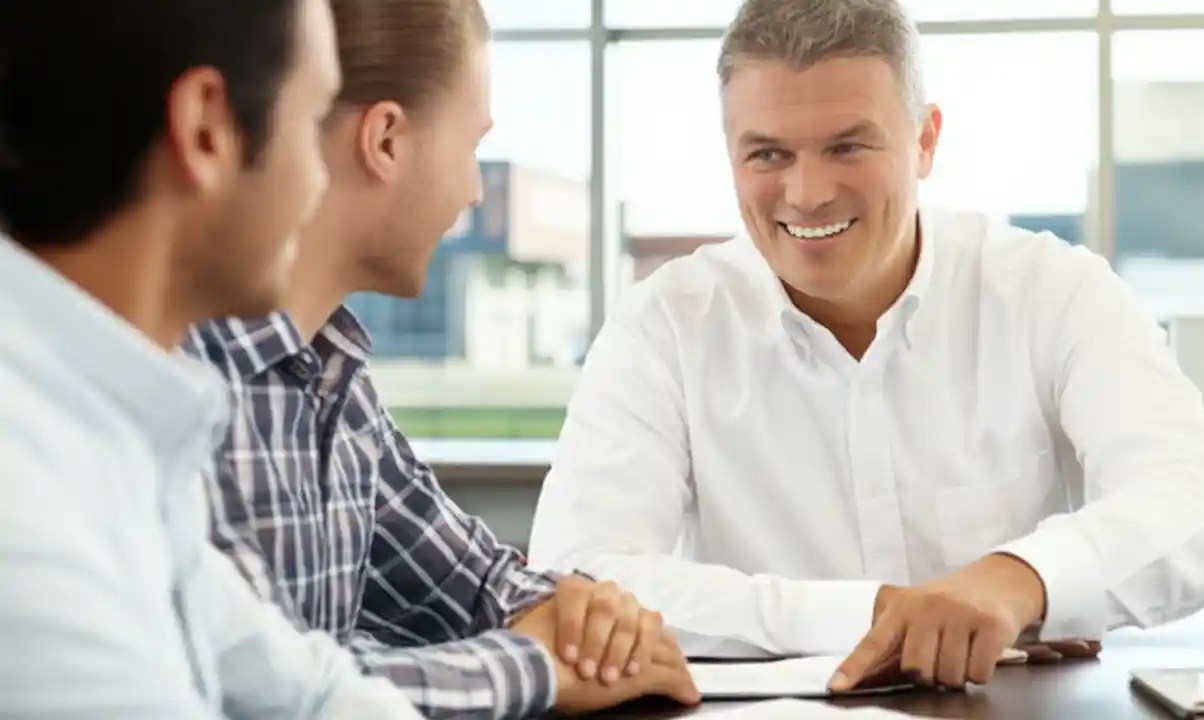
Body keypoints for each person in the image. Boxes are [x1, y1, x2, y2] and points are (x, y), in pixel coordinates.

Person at [527, 0, 1204, 693]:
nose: (807, 192)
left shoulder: (1050, 288)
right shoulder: (663, 325)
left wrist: (1017, 581)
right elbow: (579, 580)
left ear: (925, 140)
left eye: (848, 146)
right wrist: (886, 612)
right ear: (730, 154)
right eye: (768, 155)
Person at [184, 0, 699, 716]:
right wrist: (537, 664)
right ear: (386, 140)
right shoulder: (184, 380)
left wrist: (587, 625)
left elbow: (481, 585)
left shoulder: (333, 379)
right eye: (472, 146)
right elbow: (272, 688)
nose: (471, 189)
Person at [0, 0, 421, 718]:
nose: (321, 182)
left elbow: (310, 690)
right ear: (205, 131)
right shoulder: (26, 510)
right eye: (310, 118)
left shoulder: (121, 430)